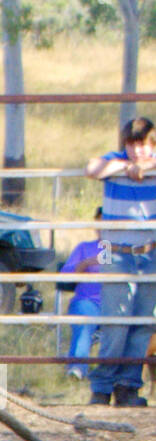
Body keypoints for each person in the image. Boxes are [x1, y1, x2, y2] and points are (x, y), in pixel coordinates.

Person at [84, 117, 156, 407]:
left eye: (144, 145)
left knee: (143, 322)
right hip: (115, 251)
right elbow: (91, 169)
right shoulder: (114, 161)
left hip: (150, 251)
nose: (138, 150)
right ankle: (102, 387)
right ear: (125, 145)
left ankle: (128, 386)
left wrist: (147, 167)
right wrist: (129, 167)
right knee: (116, 322)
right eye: (133, 144)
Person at [56, 209, 105, 382]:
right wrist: (85, 264)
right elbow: (64, 277)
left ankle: (114, 373)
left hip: (117, 303)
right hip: (88, 300)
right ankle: (77, 368)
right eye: (100, 222)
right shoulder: (85, 248)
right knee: (84, 319)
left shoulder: (125, 250)